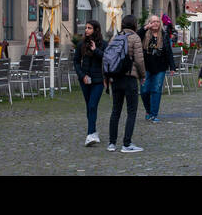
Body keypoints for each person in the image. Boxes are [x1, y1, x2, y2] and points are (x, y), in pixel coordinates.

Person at [106, 14, 146, 153]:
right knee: (131, 111)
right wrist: (142, 76)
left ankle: (111, 143)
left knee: (115, 110)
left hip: (116, 78)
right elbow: (139, 60)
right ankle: (126, 144)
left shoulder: (115, 37)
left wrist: (108, 77)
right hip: (130, 78)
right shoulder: (135, 38)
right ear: (135, 25)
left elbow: (107, 58)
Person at [137, 14, 175, 123]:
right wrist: (145, 28)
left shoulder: (164, 35)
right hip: (145, 68)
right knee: (144, 90)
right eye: (153, 21)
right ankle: (148, 110)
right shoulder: (144, 34)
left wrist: (172, 67)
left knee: (156, 90)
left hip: (160, 67)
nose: (155, 23)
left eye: (157, 21)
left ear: (160, 23)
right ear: (149, 23)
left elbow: (169, 51)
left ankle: (154, 114)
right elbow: (135, 37)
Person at [74, 20, 106, 144]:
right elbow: (76, 62)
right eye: (86, 27)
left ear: (96, 30)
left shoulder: (103, 44)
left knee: (93, 105)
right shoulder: (81, 44)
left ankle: (90, 134)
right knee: (89, 107)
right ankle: (93, 132)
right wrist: (82, 76)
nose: (86, 30)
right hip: (85, 80)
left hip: (98, 80)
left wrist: (95, 50)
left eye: (90, 28)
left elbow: (107, 58)